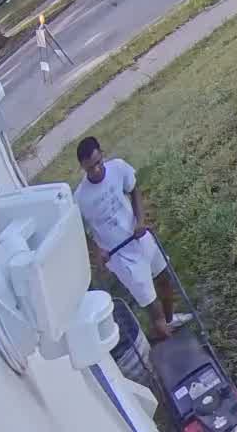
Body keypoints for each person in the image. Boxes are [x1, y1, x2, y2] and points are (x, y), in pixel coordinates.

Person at [74, 137, 191, 340]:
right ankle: (166, 338)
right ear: (82, 168)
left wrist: (140, 220)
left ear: (102, 154)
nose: (96, 171)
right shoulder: (80, 198)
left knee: (164, 278)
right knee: (150, 302)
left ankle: (171, 319)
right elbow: (77, 230)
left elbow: (134, 190)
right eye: (89, 168)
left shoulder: (118, 168)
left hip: (138, 236)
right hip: (119, 255)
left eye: (98, 163)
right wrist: (96, 250)